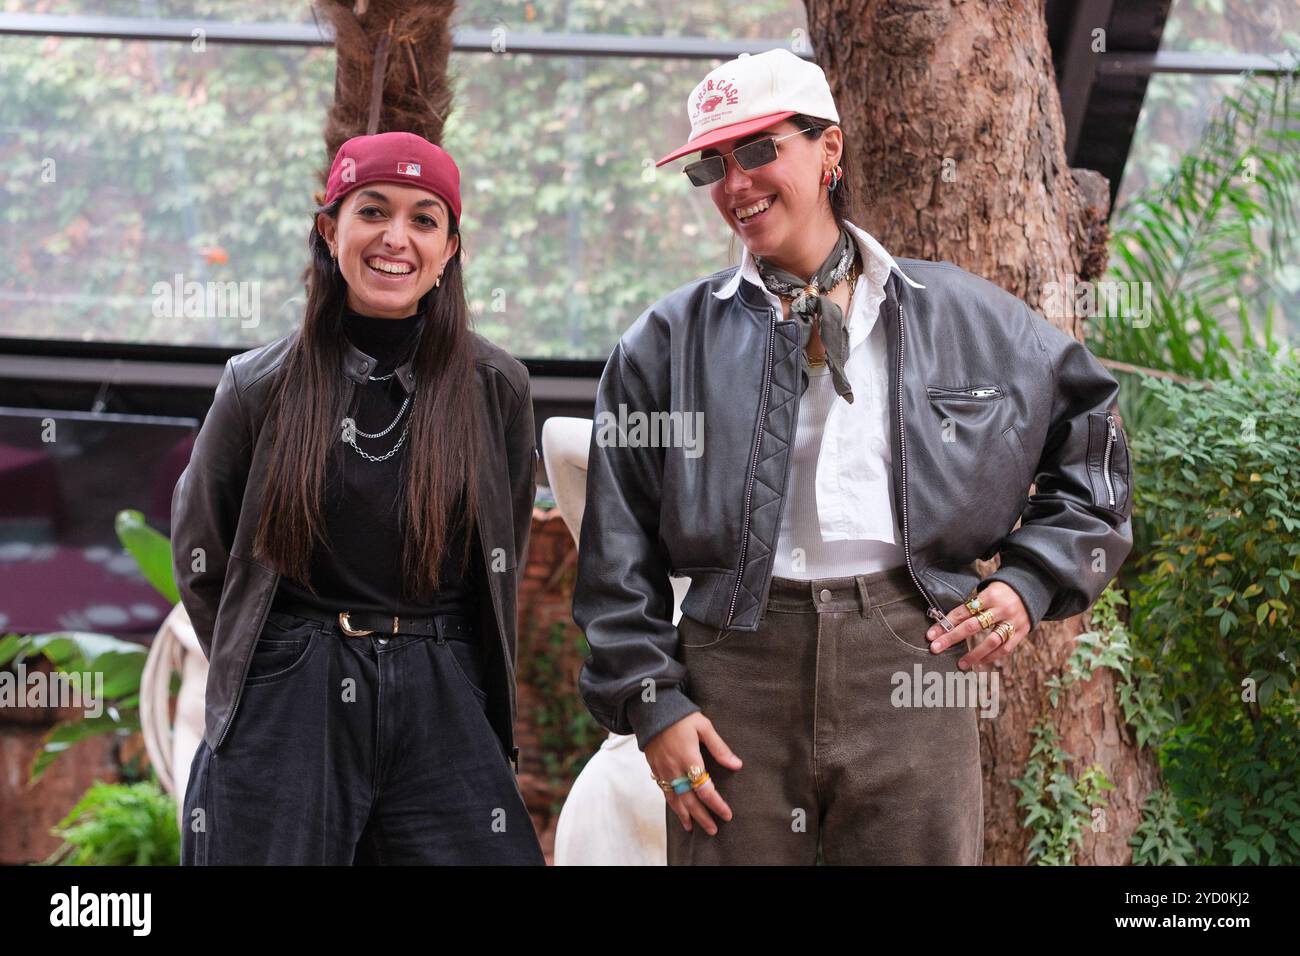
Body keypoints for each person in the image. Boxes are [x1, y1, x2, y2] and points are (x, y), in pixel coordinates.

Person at [572, 49, 1133, 865]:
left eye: (760, 150)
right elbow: (615, 544)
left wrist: (1028, 580)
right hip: (734, 675)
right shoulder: (666, 343)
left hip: (916, 662)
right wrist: (651, 701)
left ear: (828, 149)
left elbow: (1093, 442)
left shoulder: (966, 320)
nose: (736, 184)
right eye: (712, 165)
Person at [172, 131, 544, 865]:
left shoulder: (495, 387)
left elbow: (499, 560)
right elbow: (201, 555)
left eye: (423, 219)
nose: (394, 239)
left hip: (441, 681)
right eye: (372, 211)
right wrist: (267, 669)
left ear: (449, 249)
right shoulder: (259, 384)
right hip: (292, 684)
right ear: (329, 229)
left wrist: (458, 674)